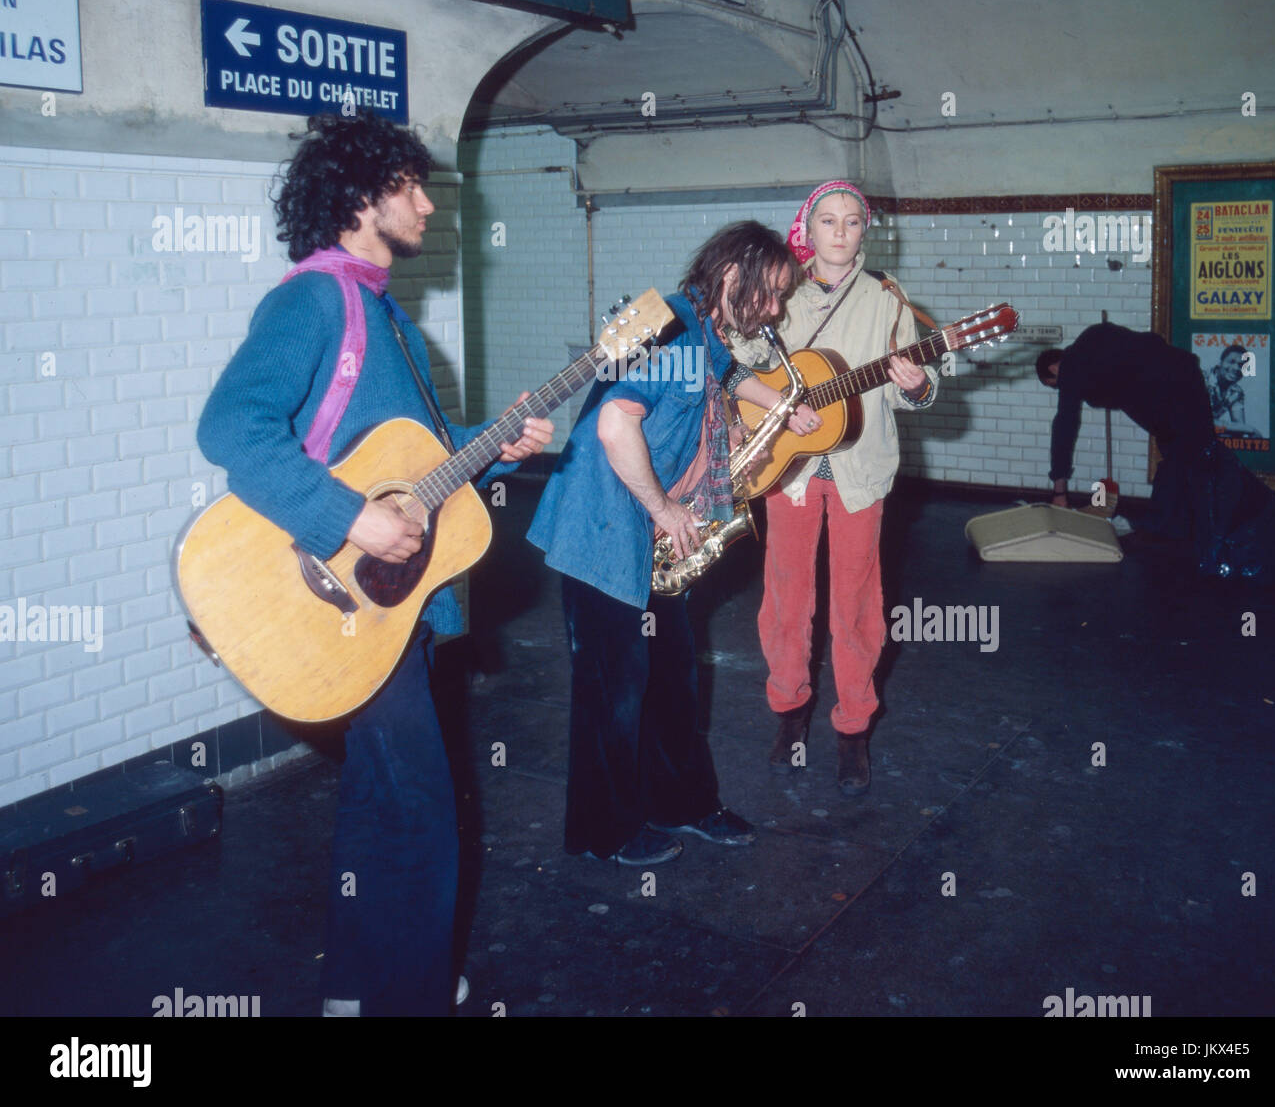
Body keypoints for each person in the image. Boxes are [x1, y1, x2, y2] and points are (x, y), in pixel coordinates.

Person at [197, 111, 552, 1016]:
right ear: (361, 199)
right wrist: (350, 519)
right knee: (425, 813)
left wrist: (501, 444)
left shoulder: (378, 310)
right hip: (347, 598)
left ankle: (358, 987)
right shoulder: (315, 302)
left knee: (373, 799)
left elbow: (417, 460)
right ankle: (413, 996)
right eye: (410, 187)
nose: (429, 205)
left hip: (393, 611)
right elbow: (230, 428)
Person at [526, 221, 819, 865]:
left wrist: (784, 404)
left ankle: (683, 803)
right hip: (605, 529)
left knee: (672, 678)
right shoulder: (668, 326)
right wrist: (663, 507)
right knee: (616, 688)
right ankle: (606, 832)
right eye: (769, 295)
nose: (775, 311)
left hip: (652, 537)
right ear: (732, 277)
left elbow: (729, 372)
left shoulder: (703, 328)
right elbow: (613, 423)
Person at [730, 183, 939, 796]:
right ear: (809, 229)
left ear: (864, 232)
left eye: (852, 222)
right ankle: (789, 715)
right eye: (828, 221)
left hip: (859, 469)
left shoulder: (887, 299)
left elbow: (913, 393)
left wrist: (918, 382)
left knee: (857, 604)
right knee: (785, 599)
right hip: (786, 469)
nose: (840, 232)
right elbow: (736, 363)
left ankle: (852, 730)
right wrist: (762, 409)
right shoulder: (779, 290)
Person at [1036, 324, 1213, 530]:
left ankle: (1162, 526)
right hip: (1186, 372)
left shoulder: (1072, 367)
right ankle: (1192, 523)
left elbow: (1064, 428)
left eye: (1055, 384)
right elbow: (1151, 342)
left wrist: (1059, 492)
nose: (1061, 389)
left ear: (1054, 368)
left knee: (1178, 453)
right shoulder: (1093, 335)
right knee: (1196, 451)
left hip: (1169, 389)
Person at [1204, 346, 1261, 440]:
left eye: (1241, 365)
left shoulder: (1236, 392)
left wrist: (1244, 429)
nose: (1236, 368)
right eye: (1231, 362)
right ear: (1220, 362)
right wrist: (1249, 429)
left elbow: (1239, 428)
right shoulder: (1200, 379)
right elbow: (1199, 421)